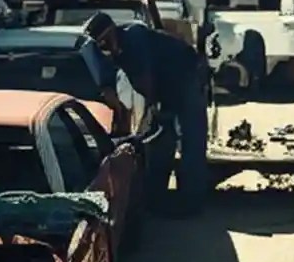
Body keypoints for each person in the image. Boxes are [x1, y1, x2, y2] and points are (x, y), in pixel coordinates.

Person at [81, 12, 208, 217]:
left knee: (191, 137)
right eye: (100, 45)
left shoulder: (134, 38)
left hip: (186, 75)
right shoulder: (111, 50)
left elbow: (145, 82)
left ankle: (192, 201)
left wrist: (154, 108)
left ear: (112, 32)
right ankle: (158, 197)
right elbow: (103, 74)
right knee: (161, 140)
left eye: (105, 42)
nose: (105, 48)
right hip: (164, 84)